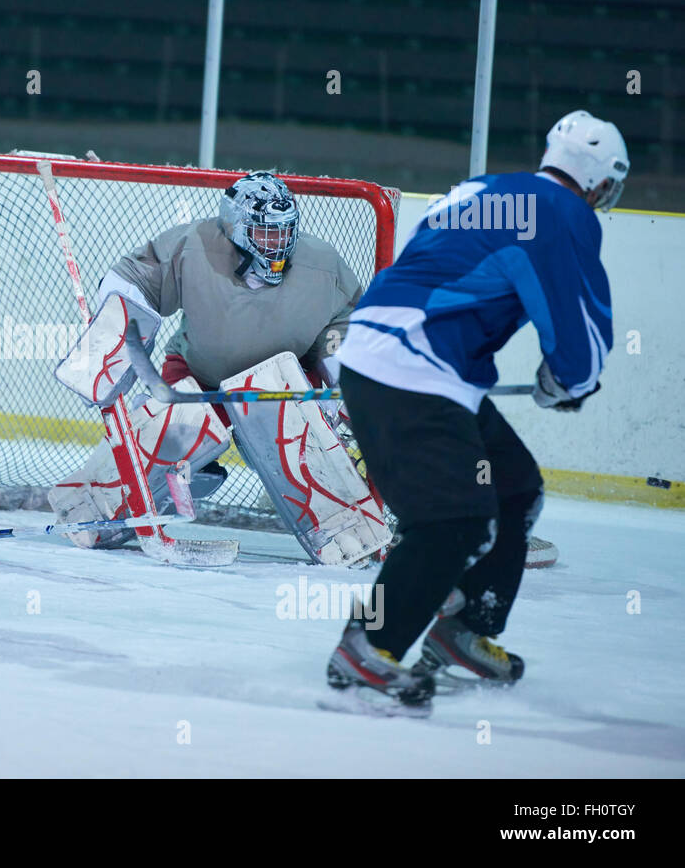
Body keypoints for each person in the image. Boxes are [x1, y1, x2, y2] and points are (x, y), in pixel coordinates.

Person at [324, 110, 625, 714]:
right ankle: (367, 653)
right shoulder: (564, 213)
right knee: (451, 523)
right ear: (597, 181)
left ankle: (460, 627)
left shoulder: (484, 188)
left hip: (398, 359)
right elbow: (579, 326)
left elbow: (434, 268)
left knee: (514, 489)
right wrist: (568, 379)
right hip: (412, 369)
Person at [51, 171, 378, 563]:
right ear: (237, 227)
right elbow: (136, 278)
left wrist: (343, 384)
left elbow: (343, 324)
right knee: (171, 433)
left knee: (304, 445)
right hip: (198, 376)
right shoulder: (194, 245)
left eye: (284, 231)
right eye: (265, 233)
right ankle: (101, 514)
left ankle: (347, 534)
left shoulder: (324, 265)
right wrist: (112, 339)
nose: (277, 244)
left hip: (282, 385)